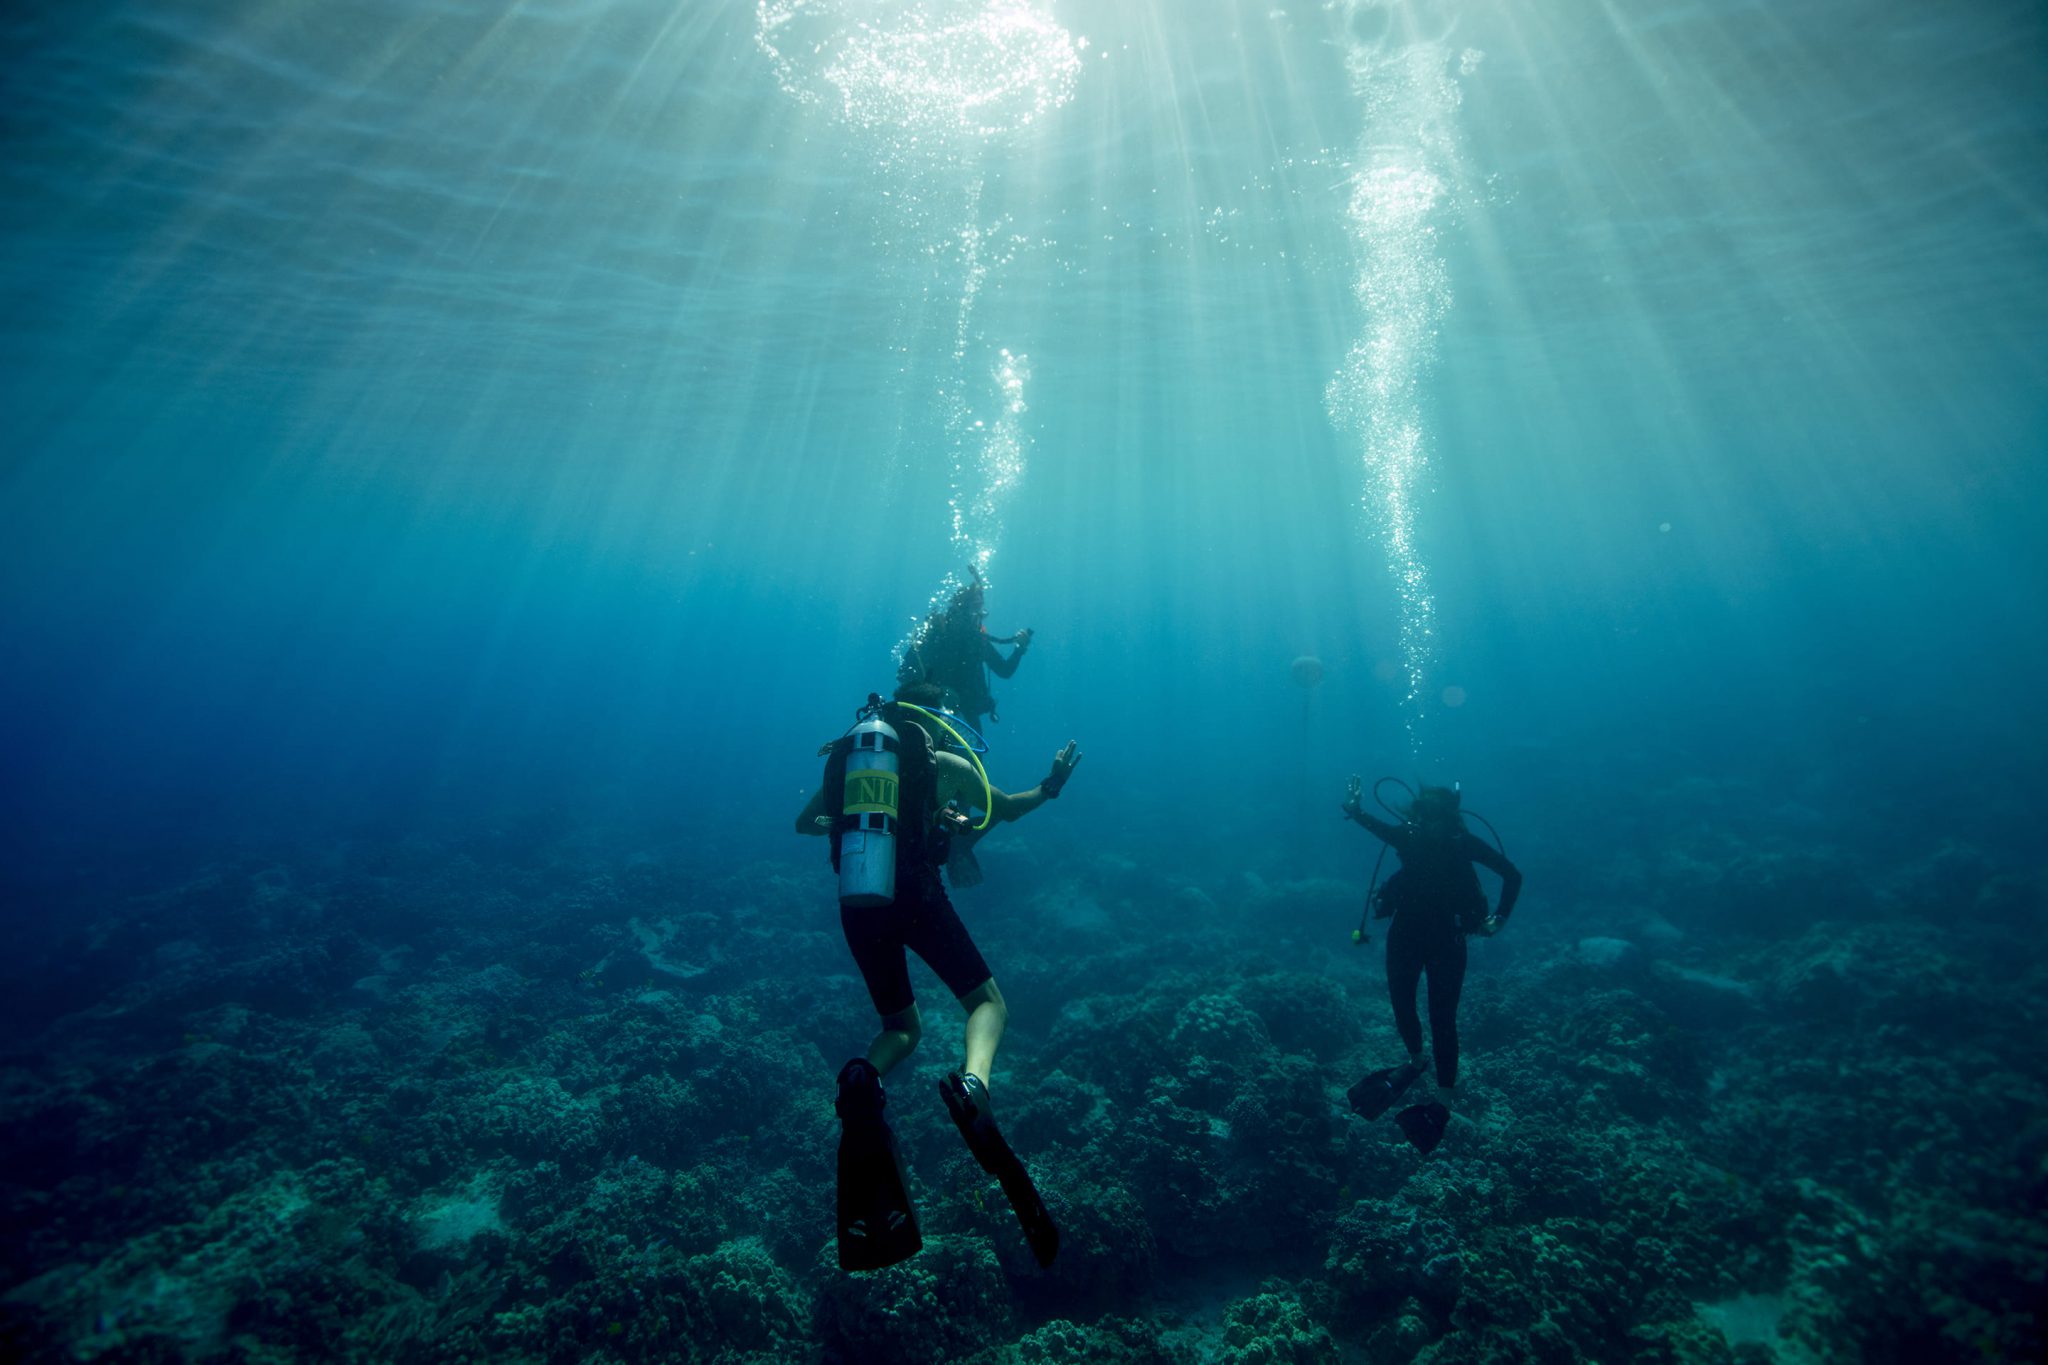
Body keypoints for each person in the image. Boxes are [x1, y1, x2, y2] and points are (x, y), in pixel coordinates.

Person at [796, 685, 1081, 1270]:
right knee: (988, 1005)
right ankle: (974, 1085)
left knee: (900, 1027)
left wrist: (859, 815)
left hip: (857, 902)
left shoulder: (845, 757)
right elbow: (1004, 808)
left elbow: (807, 824)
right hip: (917, 896)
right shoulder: (940, 759)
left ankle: (861, 1077)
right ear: (933, 719)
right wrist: (1050, 786)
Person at [1340, 777, 1522, 1154]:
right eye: (1426, 816)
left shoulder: (1462, 843)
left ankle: (1444, 1100)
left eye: (1438, 816)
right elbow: (1373, 825)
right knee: (1402, 1004)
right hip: (1407, 936)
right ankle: (1415, 1061)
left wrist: (1499, 919)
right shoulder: (1410, 837)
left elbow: (1512, 875)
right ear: (1418, 815)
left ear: (1452, 817)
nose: (1431, 824)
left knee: (1442, 1018)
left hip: (1446, 940)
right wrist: (1355, 810)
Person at [896, 569, 1033, 733]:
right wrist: (1019, 649)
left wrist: (1019, 649)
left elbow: (1004, 671)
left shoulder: (969, 638)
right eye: (973, 611)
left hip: (935, 711)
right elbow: (1004, 671)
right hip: (944, 711)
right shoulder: (945, 635)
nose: (974, 618)